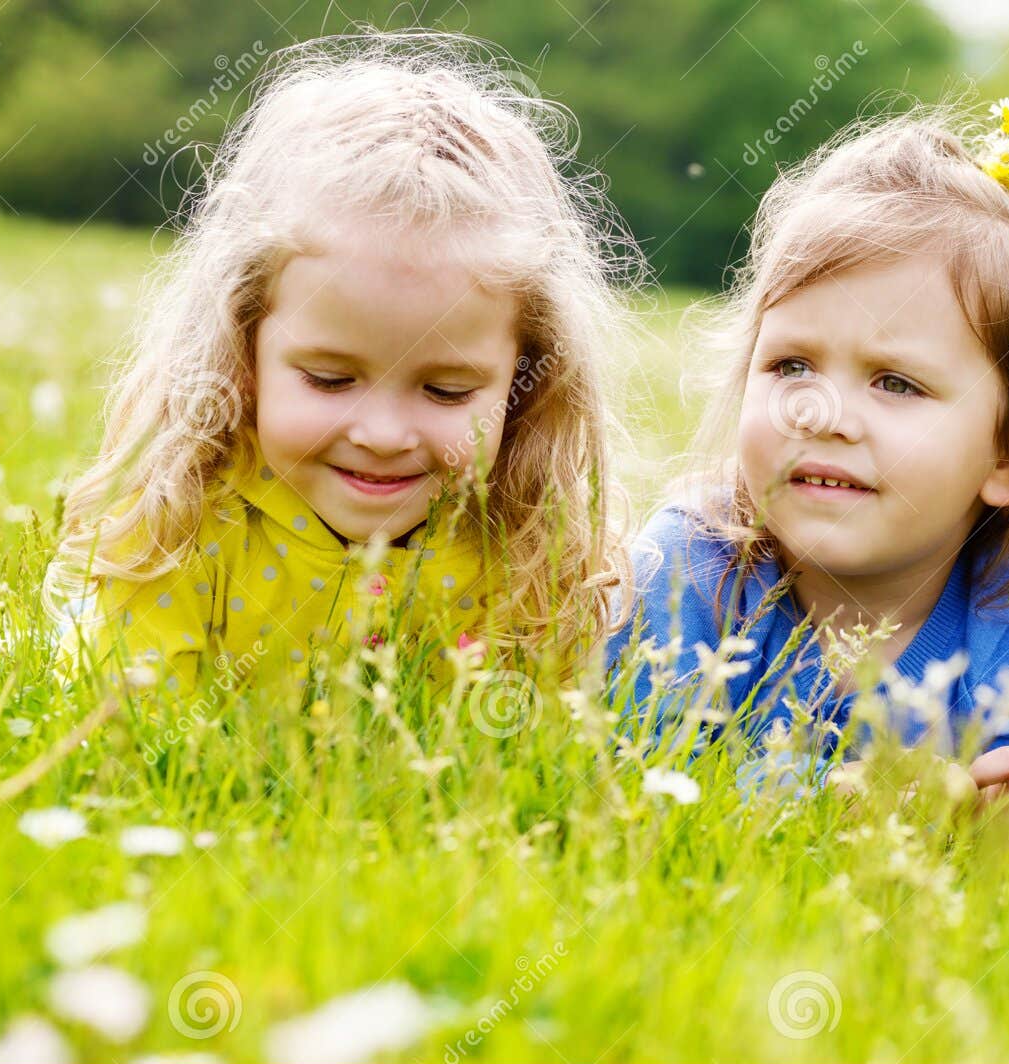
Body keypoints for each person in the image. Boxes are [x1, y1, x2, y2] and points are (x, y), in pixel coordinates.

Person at [607, 97, 1009, 860]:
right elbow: (632, 789)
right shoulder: (690, 569)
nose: (821, 412)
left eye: (896, 383)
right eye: (790, 365)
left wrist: (1003, 847)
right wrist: (845, 817)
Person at [47, 30, 634, 696]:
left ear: (525, 383)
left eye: (445, 391)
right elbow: (129, 735)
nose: (382, 434)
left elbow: (530, 758)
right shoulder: (181, 522)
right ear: (243, 349)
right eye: (330, 380)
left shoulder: (525, 547)